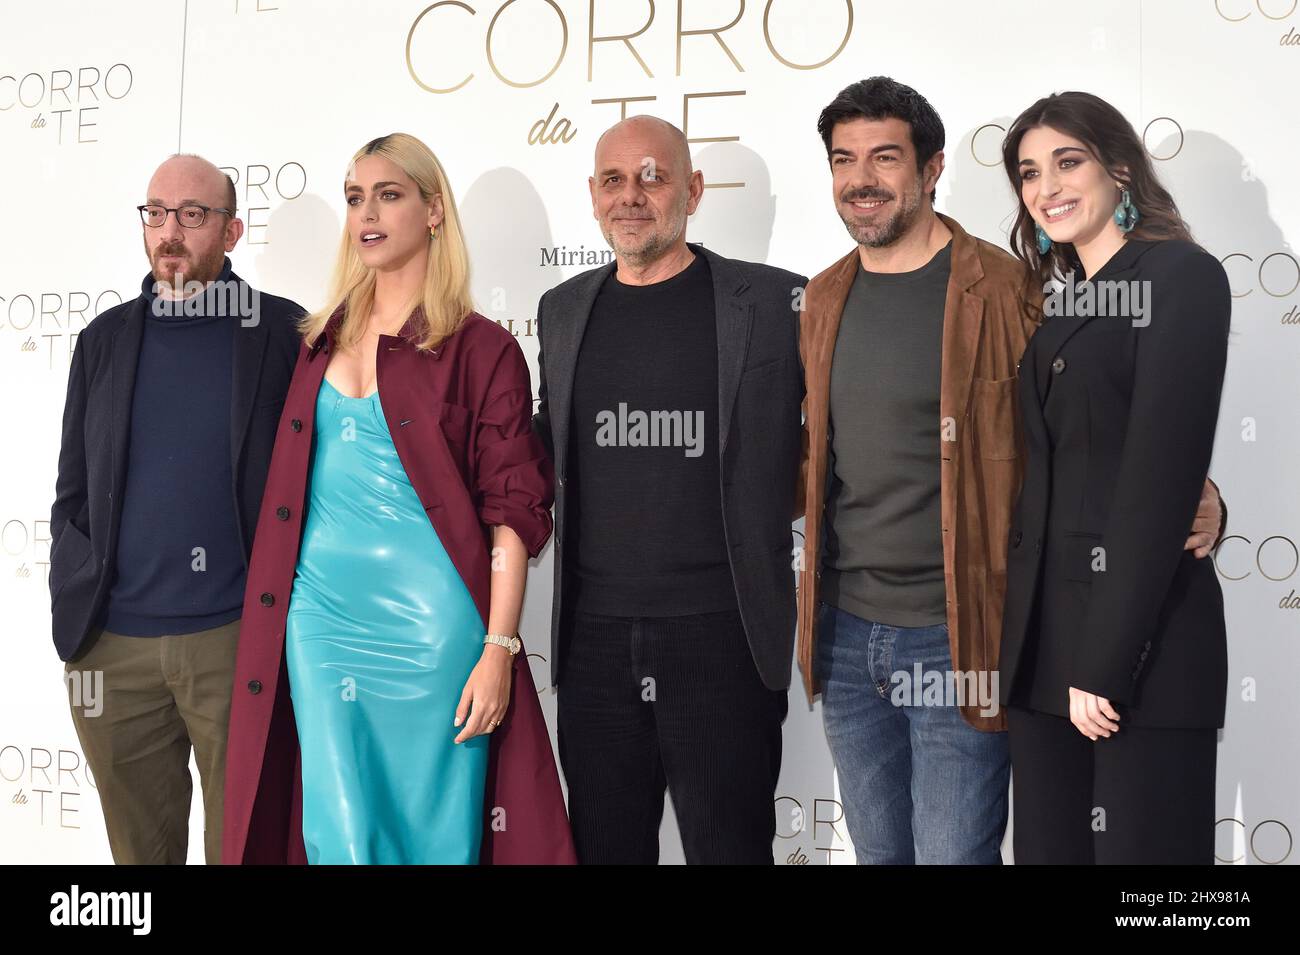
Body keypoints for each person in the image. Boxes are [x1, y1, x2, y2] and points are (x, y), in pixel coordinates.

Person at [795, 77, 1226, 864]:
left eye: (885, 156)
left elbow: (1140, 456)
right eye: (1030, 172)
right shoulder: (821, 298)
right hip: (891, 642)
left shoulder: (1020, 290)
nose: (862, 177)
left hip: (976, 634)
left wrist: (1201, 499)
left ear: (930, 169)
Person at [221, 133, 574, 865]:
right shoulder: (317, 340)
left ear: (434, 210)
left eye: (389, 194)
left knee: (436, 839)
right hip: (320, 621)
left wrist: (498, 648)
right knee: (340, 834)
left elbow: (513, 510)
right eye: (355, 198)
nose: (367, 213)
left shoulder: (483, 348)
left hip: (435, 628)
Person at [533, 115, 807, 864]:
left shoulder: (779, 304)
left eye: (652, 176)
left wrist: (769, 503)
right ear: (592, 196)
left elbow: (832, 447)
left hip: (723, 637)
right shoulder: (561, 310)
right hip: (593, 646)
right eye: (614, 180)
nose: (632, 196)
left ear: (692, 189)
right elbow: (539, 452)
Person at [997, 92, 1232, 864]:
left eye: (1068, 162)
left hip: (1142, 658)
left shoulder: (1180, 275)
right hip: (1042, 664)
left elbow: (1159, 473)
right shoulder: (1062, 306)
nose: (1046, 187)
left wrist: (1104, 662)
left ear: (1120, 169)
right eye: (1029, 172)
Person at [50, 154, 305, 863]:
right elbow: (73, 486)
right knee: (138, 861)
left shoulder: (284, 333)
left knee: (246, 847)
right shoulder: (102, 339)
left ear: (230, 231)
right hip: (113, 652)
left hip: (235, 640)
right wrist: (73, 590)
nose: (170, 231)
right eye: (156, 213)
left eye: (192, 215)